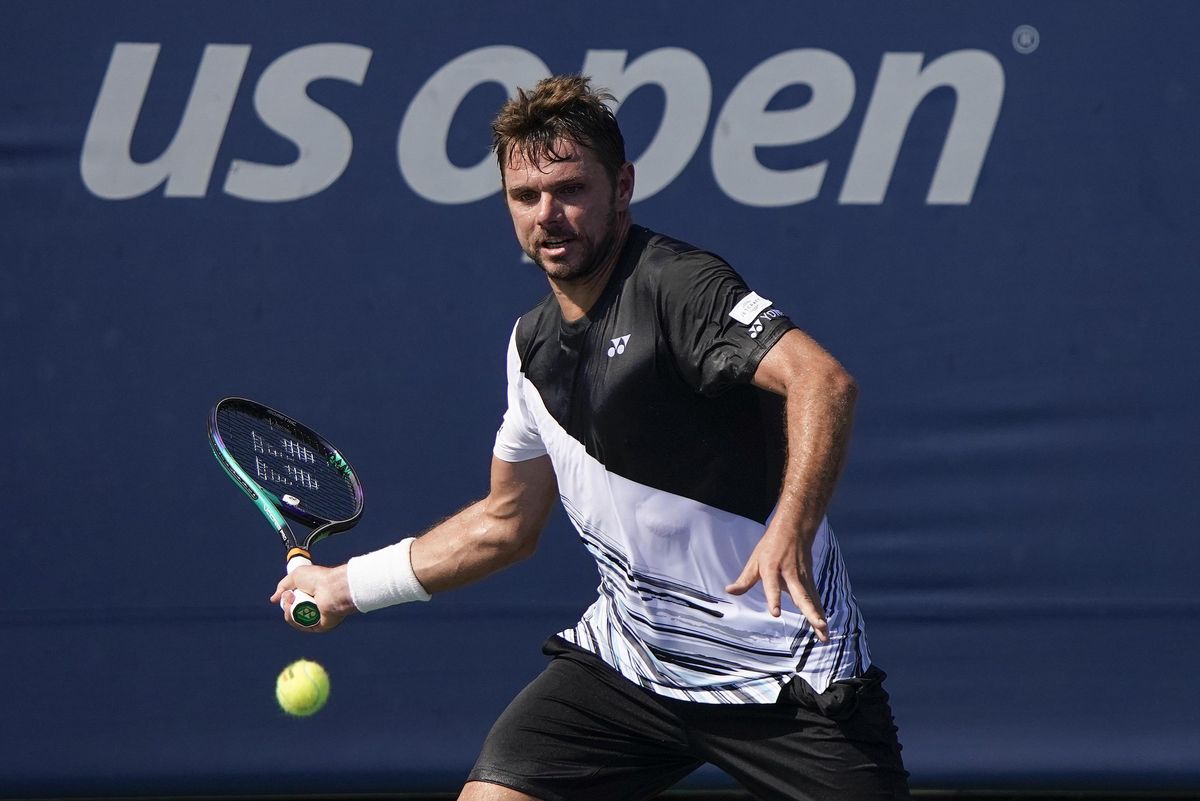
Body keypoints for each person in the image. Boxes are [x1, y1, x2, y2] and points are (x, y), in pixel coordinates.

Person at [272, 74, 910, 801]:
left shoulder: (679, 286)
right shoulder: (531, 347)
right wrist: (346, 587)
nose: (548, 215)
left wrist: (791, 524)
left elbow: (823, 381)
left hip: (785, 675)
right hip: (630, 667)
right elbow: (504, 525)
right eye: (525, 196)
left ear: (622, 187)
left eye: (570, 189)